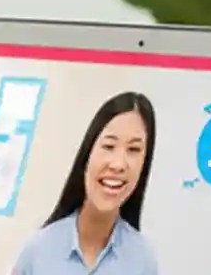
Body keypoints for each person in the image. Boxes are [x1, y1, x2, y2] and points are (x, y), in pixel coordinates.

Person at [11, 92, 160, 275]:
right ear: (87, 153)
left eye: (134, 149)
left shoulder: (143, 261)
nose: (118, 164)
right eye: (109, 146)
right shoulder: (39, 250)